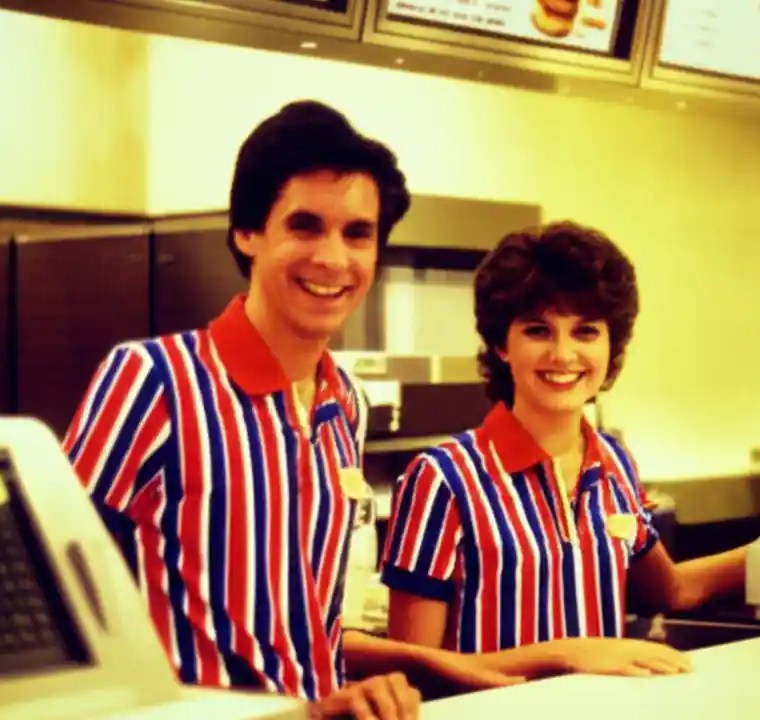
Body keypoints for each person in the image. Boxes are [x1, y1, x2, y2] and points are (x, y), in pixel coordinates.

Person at [63, 100, 519, 719]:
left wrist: (407, 673)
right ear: (248, 233)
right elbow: (54, 606)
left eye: (358, 233)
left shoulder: (344, 405)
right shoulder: (154, 381)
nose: (334, 259)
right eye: (306, 226)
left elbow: (308, 632)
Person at [380, 221, 748, 677]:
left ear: (612, 345)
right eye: (538, 330)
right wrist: (565, 654)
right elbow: (408, 673)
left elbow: (669, 591)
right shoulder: (442, 479)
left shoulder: (614, 464)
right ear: (500, 344)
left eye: (586, 331)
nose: (563, 354)